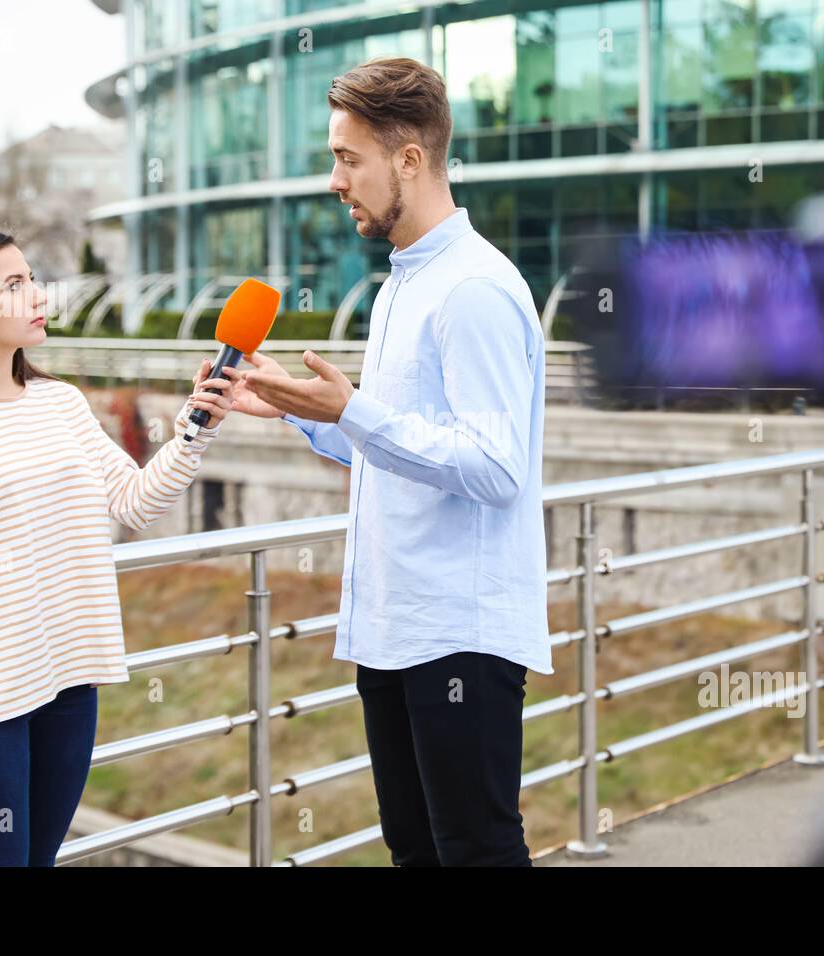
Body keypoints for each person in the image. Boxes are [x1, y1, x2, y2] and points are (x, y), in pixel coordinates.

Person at [231, 58, 551, 866]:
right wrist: (306, 415)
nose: (334, 180)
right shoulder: (401, 285)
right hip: (394, 625)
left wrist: (352, 408)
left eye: (348, 158)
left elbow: (495, 467)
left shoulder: (473, 289)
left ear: (409, 159)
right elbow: (399, 443)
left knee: (474, 850)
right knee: (415, 852)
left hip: (459, 633)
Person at [0, 221, 239, 866]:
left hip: (71, 683)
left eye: (34, 280)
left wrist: (195, 427)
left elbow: (134, 501)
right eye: (16, 285)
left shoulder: (60, 404)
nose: (40, 296)